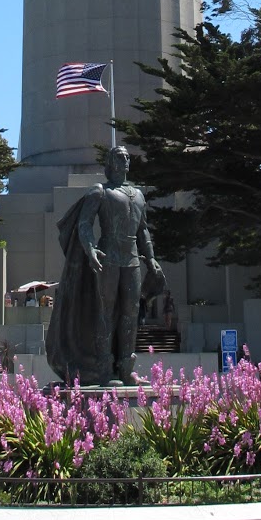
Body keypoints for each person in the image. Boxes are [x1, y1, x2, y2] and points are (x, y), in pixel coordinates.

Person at [45, 146, 162, 387]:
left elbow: (143, 231)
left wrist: (150, 258)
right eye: (121, 156)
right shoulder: (100, 192)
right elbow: (84, 224)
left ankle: (127, 367)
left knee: (130, 313)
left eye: (128, 156)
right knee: (106, 313)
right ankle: (104, 370)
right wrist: (89, 249)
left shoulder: (138, 195)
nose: (126, 159)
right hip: (108, 257)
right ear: (110, 162)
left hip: (131, 260)